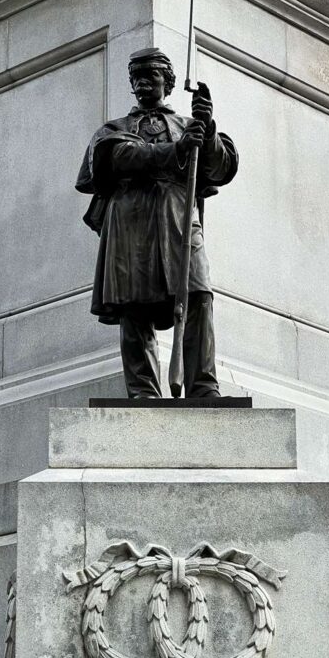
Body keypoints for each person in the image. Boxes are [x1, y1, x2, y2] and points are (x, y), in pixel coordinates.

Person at [76, 48, 238, 399]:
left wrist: (207, 130)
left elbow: (219, 169)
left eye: (150, 75)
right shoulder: (113, 130)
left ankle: (203, 386)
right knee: (134, 307)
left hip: (179, 222)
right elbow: (118, 156)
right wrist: (176, 152)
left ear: (169, 81)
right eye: (136, 77)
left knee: (199, 296)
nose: (142, 82)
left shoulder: (186, 126)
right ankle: (143, 391)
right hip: (131, 223)